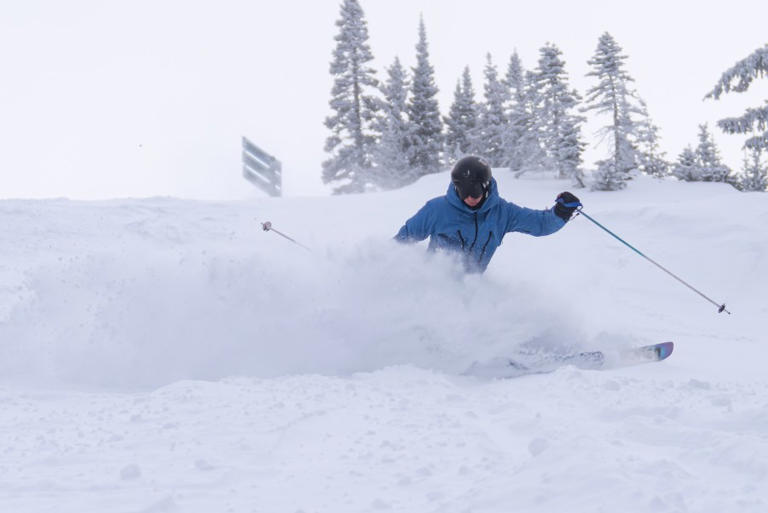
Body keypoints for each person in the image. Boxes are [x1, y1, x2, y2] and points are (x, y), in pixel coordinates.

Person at [394, 155, 581, 273]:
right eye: (463, 191)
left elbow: (541, 224)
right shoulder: (437, 210)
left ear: (486, 186)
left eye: (474, 191)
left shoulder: (502, 213)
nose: (469, 198)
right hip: (434, 287)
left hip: (472, 290)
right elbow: (402, 240)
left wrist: (561, 212)